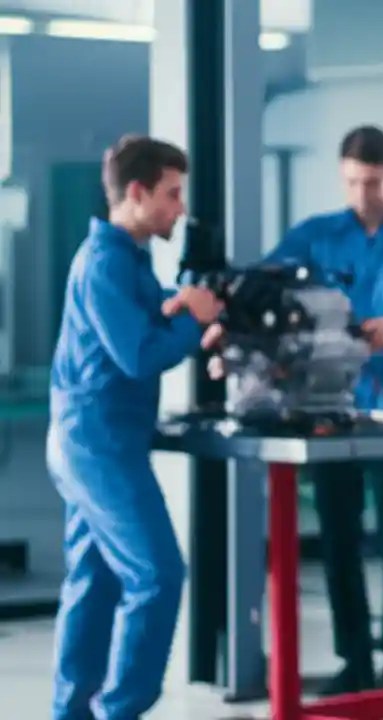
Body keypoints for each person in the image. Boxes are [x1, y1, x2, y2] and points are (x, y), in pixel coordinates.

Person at [261, 125, 383, 693]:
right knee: (339, 536)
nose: (361, 194)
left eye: (370, 182)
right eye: (351, 183)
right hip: (327, 406)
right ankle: (355, 661)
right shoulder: (316, 236)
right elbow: (267, 282)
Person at [47, 134, 224, 720]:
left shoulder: (130, 259)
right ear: (137, 192)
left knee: (94, 586)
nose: (180, 208)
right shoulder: (104, 261)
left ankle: (70, 713)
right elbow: (138, 354)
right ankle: (119, 711)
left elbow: (148, 323)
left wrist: (185, 310)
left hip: (99, 440)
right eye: (172, 195)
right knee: (158, 574)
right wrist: (195, 321)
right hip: (96, 445)